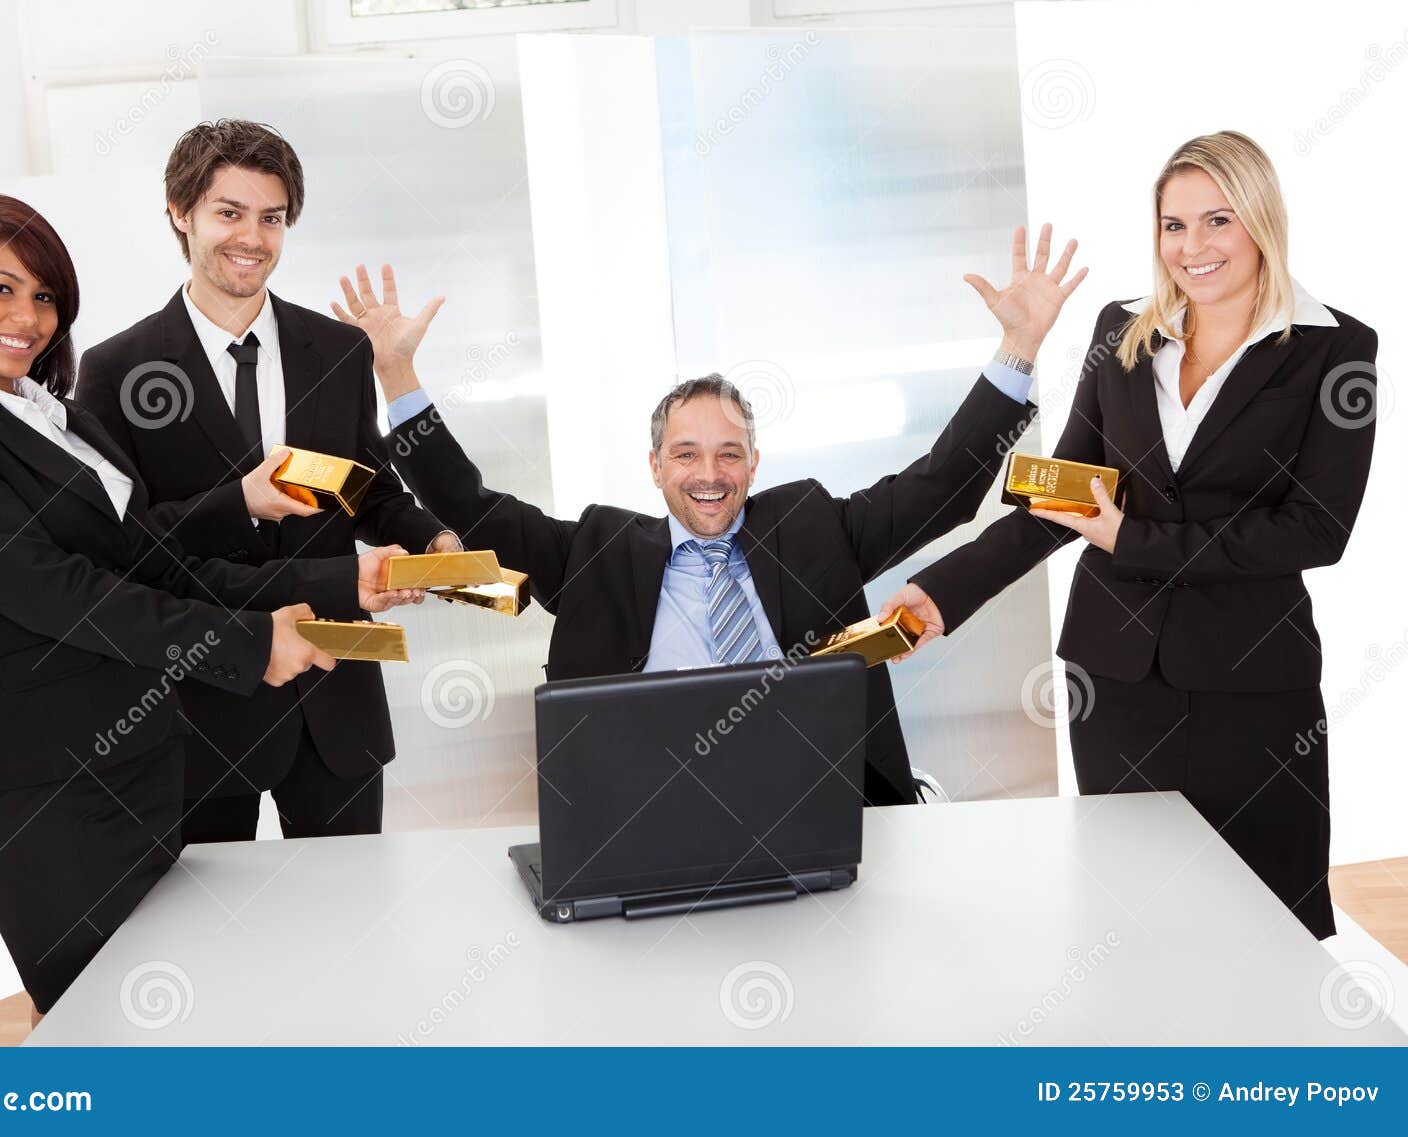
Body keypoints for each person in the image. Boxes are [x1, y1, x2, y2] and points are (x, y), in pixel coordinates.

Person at [0, 193, 422, 1015]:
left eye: (46, 296)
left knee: (198, 1025)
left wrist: (339, 585)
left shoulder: (62, 420)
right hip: (53, 794)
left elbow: (151, 559)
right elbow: (58, 593)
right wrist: (245, 644)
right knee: (112, 1041)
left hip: (147, 767)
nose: (28, 316)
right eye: (1, 289)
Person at [334, 223, 1087, 805]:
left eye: (729, 453)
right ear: (655, 467)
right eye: (686, 454)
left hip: (818, 793)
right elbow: (468, 505)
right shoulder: (596, 551)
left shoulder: (814, 526)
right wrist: (396, 372)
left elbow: (944, 486)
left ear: (754, 465)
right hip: (644, 804)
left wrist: (1018, 346)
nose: (709, 473)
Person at [880, 132, 1379, 937]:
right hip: (1114, 681)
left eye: (1218, 221)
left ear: (1262, 221)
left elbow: (1315, 530)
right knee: (1136, 920)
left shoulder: (1334, 348)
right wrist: (944, 591)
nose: (1193, 247)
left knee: (1270, 922)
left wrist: (1134, 541)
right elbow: (1069, 493)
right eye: (1172, 225)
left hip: (1251, 684)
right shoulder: (1124, 331)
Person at [76, 120, 454, 845]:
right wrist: (234, 500)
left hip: (336, 699)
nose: (252, 237)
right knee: (216, 946)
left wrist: (430, 538)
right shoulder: (116, 370)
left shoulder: (338, 351)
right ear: (179, 213)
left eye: (271, 218)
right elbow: (122, 550)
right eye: (229, 212)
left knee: (353, 924)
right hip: (201, 706)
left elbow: (363, 487)